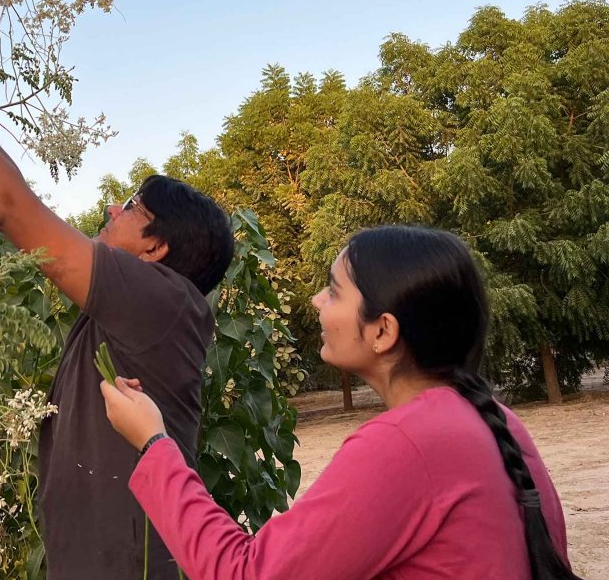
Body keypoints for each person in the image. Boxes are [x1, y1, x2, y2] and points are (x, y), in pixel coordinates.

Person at [0, 25, 235, 579]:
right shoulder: (141, 304)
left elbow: (10, 209)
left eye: (131, 207)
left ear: (156, 248)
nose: (113, 211)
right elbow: (17, 198)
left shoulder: (158, 300)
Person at [101, 225, 582, 580]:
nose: (316, 301)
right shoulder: (493, 418)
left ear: (382, 331)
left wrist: (153, 443)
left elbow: (246, 573)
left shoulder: (408, 443)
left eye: (333, 290)